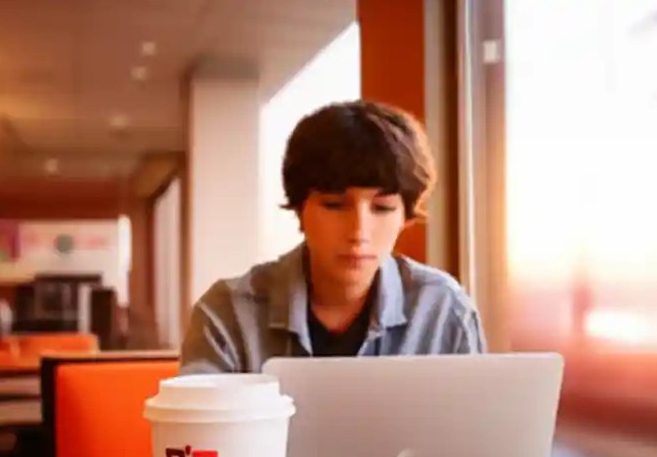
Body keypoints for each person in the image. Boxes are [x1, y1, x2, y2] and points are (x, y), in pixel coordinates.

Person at [179, 100, 486, 374]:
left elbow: (476, 431)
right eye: (334, 205)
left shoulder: (444, 308)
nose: (358, 232)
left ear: (405, 217)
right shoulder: (228, 313)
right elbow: (198, 435)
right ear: (300, 208)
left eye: (381, 208)